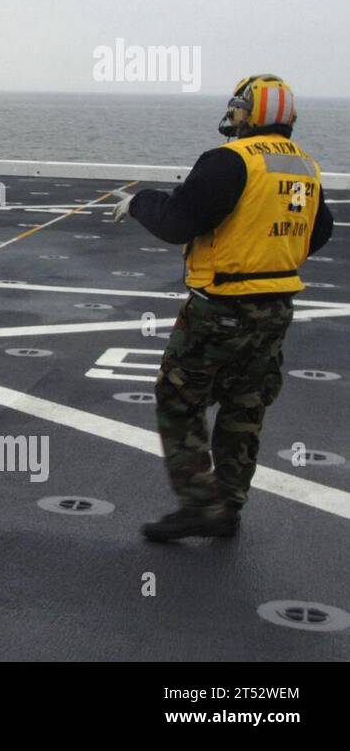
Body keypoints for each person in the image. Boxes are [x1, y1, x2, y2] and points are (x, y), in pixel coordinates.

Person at [112, 76, 333, 542]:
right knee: (244, 406)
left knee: (178, 399)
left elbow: (178, 221)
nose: (232, 115)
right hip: (275, 309)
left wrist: (138, 203)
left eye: (238, 108)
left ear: (249, 113)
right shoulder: (306, 169)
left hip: (221, 308)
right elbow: (319, 232)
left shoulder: (229, 162)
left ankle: (199, 501)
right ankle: (229, 504)